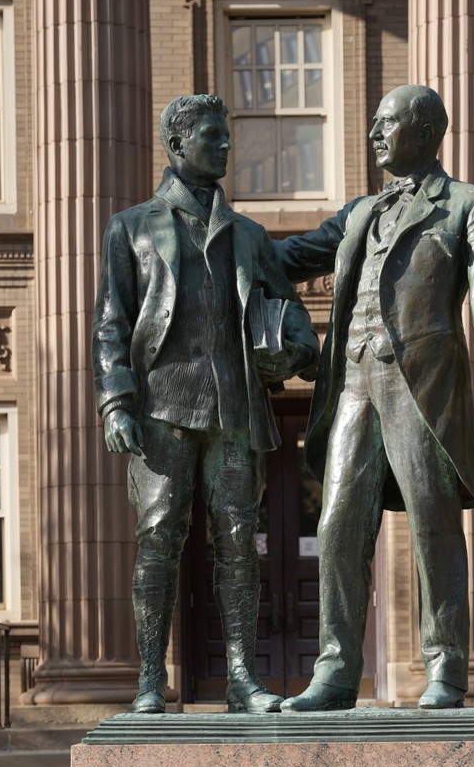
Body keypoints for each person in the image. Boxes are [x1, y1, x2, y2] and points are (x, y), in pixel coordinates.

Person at [275, 84, 474, 712]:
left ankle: (446, 668)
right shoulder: (361, 212)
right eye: (375, 124)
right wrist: (222, 243)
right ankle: (335, 672)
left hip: (421, 385)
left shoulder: (468, 205)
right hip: (353, 382)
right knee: (336, 523)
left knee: (433, 523)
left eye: (387, 123)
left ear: (426, 131)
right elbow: (289, 257)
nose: (374, 135)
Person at [93, 94, 318, 713]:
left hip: (234, 407)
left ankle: (241, 677)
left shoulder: (248, 236)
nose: (225, 145)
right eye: (212, 136)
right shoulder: (131, 227)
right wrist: (116, 402)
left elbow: (294, 315)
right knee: (158, 536)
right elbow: (111, 323)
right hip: (161, 406)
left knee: (239, 539)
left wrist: (293, 355)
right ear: (177, 144)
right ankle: (150, 680)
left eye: (226, 135)